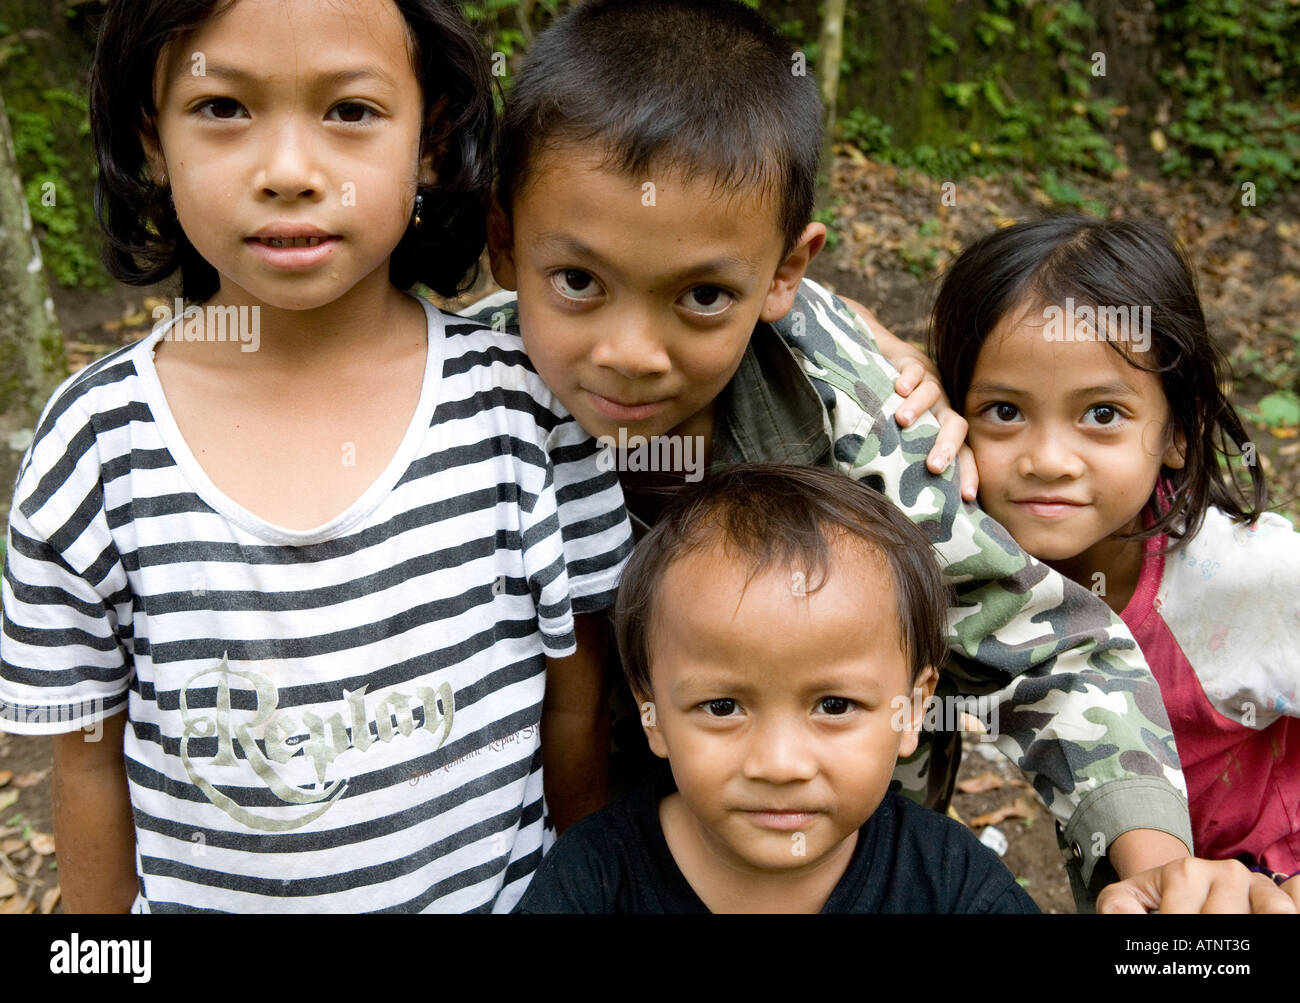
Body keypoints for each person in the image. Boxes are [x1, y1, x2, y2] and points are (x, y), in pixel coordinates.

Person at [466, 0, 1295, 912]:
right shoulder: (441, 413)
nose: (631, 350)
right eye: (579, 281)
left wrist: (1152, 877)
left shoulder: (852, 409)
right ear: (505, 241)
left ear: (787, 272)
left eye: (702, 294)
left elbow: (1051, 651)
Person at [0, 0, 631, 913]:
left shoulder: (524, 408)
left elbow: (576, 702)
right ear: (152, 135)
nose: (290, 171)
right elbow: (87, 764)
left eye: (350, 111)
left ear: (431, 135)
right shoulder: (94, 451)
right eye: (223, 108)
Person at [930, 214, 1300, 908]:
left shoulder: (1256, 575)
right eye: (1003, 410)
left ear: (1178, 435)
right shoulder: (966, 560)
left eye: (1101, 414)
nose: (1047, 460)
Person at [516, 464, 1039, 913]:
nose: (779, 764)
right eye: (722, 706)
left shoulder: (949, 883)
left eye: (834, 705)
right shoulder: (594, 880)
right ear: (650, 712)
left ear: (912, 709)